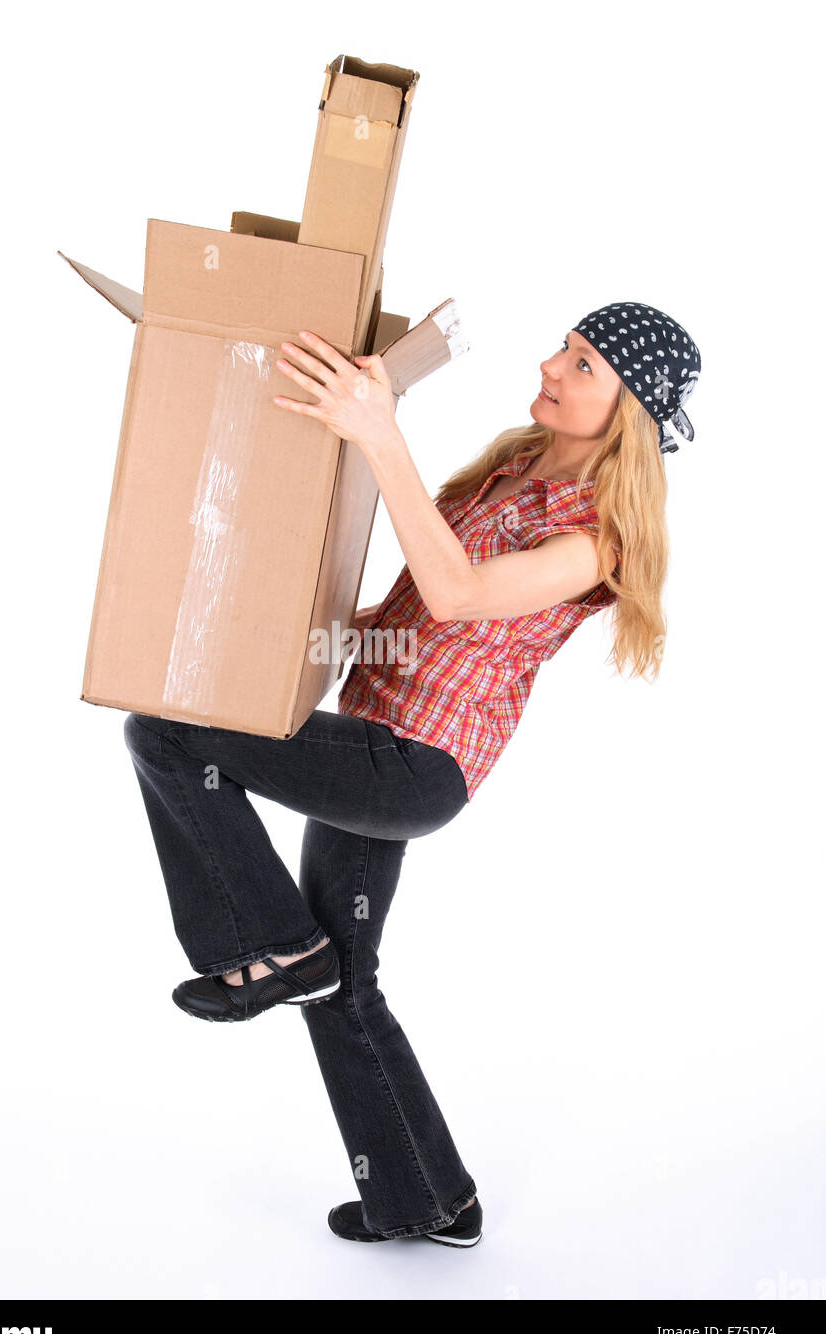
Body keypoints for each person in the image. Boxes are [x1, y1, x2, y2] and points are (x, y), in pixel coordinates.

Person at [123, 301, 701, 1247]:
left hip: (410, 768)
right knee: (346, 988)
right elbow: (411, 605)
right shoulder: (514, 467)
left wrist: (378, 431)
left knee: (165, 729)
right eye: (566, 343)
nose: (552, 363)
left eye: (584, 363)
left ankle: (267, 945)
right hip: (372, 733)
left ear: (627, 410)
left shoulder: (599, 539)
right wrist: (304, 624)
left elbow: (460, 593)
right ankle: (430, 1201)